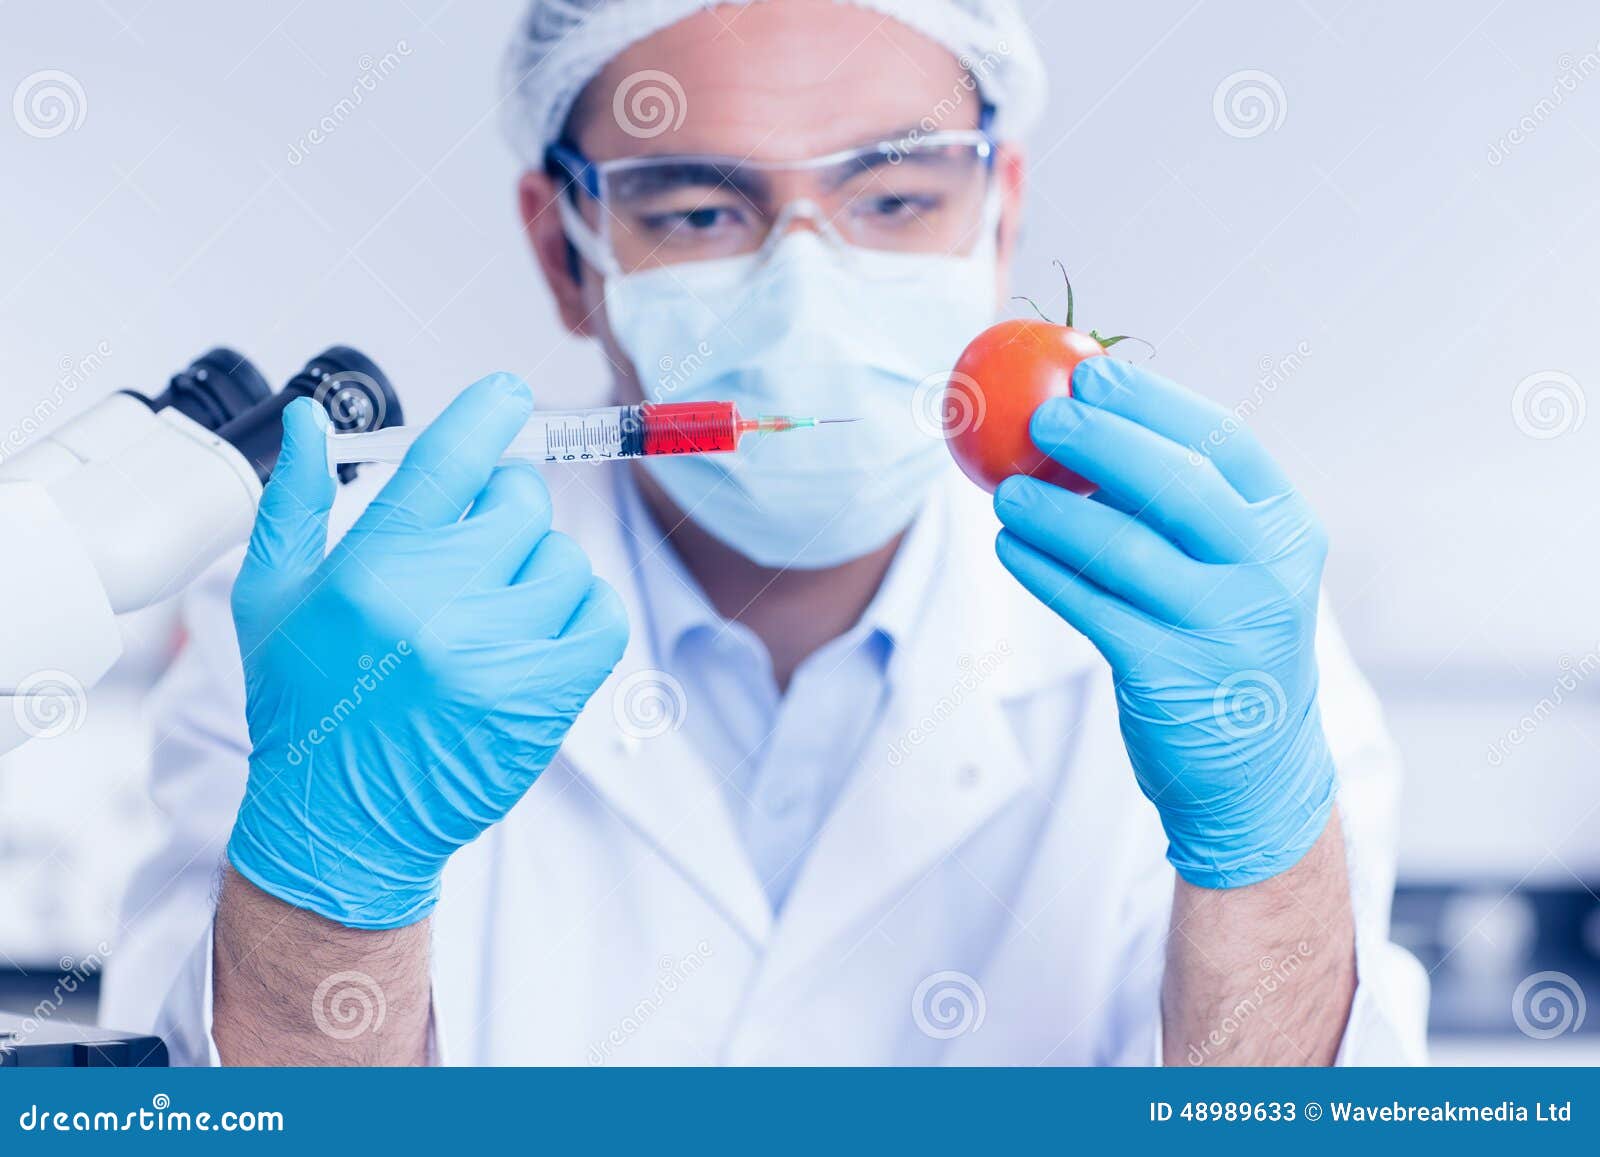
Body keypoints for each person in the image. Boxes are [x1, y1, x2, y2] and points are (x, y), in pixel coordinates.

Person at [103, 0, 1427, 1065]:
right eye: (697, 211)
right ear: (568, 249)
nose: (806, 291)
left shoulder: (1208, 628)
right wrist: (329, 887)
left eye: (895, 199)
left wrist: (1262, 855)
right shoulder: (325, 629)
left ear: (1002, 208)